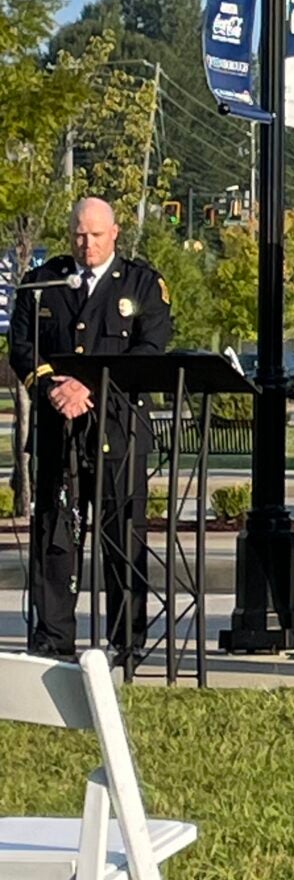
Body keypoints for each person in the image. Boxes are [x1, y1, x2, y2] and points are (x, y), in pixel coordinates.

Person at [5, 198, 172, 662]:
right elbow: (21, 345)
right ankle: (53, 636)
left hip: (118, 431)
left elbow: (150, 348)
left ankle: (127, 640)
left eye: (96, 234)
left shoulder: (142, 283)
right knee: (55, 536)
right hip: (58, 427)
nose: (87, 243)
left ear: (115, 233)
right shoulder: (44, 282)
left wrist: (88, 385)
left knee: (123, 535)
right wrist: (54, 386)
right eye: (79, 234)